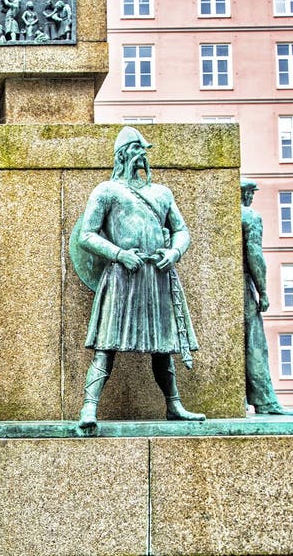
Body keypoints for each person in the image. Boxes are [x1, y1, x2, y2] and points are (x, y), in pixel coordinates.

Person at [74, 126, 205, 435]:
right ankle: (89, 406)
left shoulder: (162, 193)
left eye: (144, 151)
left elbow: (182, 230)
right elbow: (86, 235)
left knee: (164, 346)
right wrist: (119, 254)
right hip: (123, 274)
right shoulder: (106, 190)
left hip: (157, 274)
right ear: (122, 155)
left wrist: (174, 251)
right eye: (136, 150)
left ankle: (173, 404)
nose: (142, 156)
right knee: (106, 345)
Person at [241, 179, 293, 414]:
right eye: (250, 193)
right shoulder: (250, 216)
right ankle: (264, 400)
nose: (252, 197)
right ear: (244, 194)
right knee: (255, 343)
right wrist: (263, 290)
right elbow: (255, 255)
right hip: (242, 288)